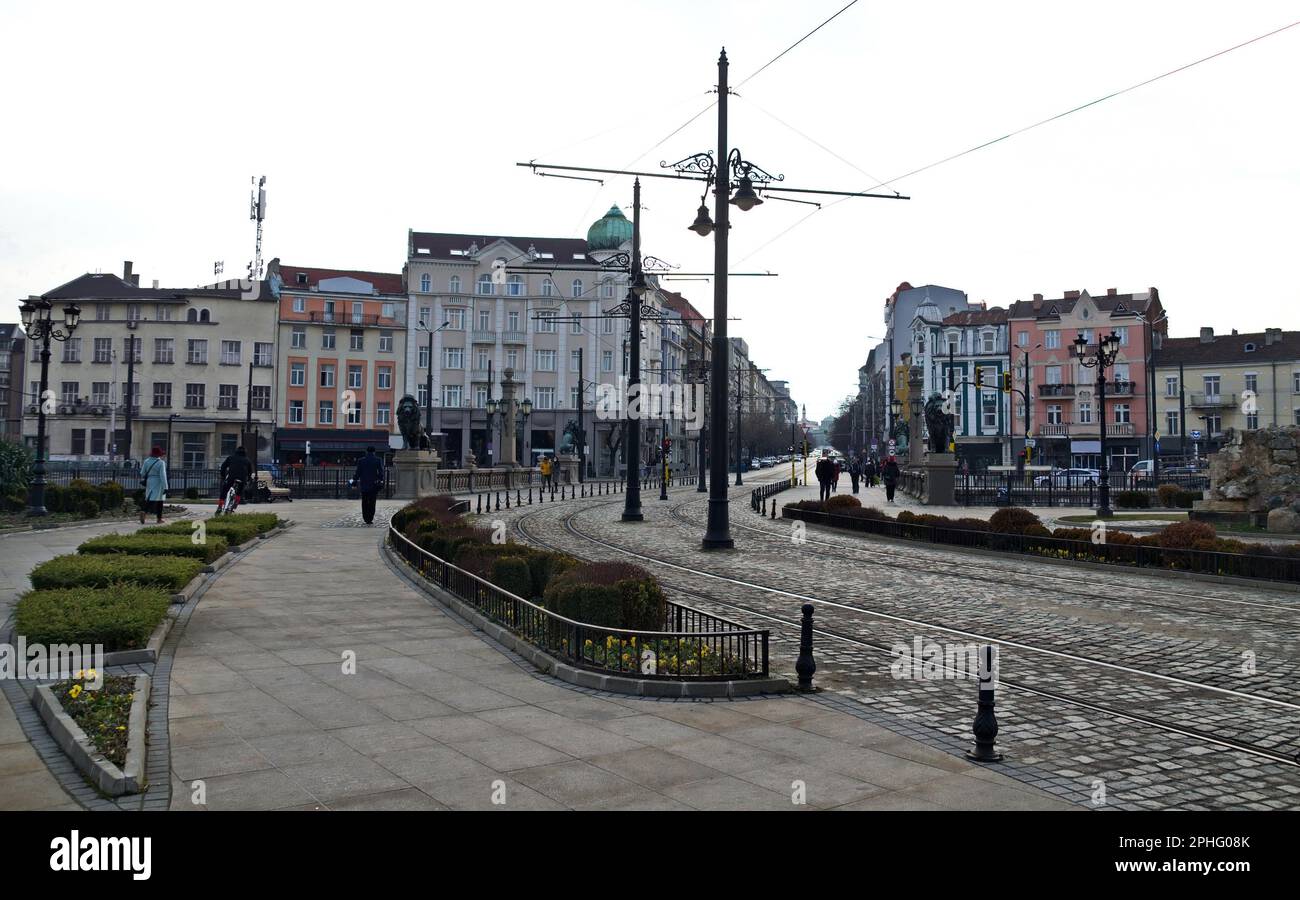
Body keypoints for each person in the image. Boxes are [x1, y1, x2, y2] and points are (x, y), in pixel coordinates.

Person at [351, 446, 385, 525]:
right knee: (372, 502)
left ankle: (365, 517)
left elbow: (358, 472)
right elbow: (380, 472)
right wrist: (380, 479)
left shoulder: (361, 461)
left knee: (364, 501)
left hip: (364, 484)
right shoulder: (378, 460)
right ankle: (370, 518)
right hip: (374, 484)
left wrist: (354, 480)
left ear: (366, 452)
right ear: (374, 452)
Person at [217, 446, 253, 514]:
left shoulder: (231, 457)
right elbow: (250, 471)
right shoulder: (247, 460)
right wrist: (248, 479)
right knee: (240, 491)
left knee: (224, 491)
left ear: (236, 451)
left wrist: (223, 476)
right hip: (242, 479)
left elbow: (223, 466)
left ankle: (220, 505)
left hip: (231, 477)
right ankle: (236, 502)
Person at [139, 445, 168, 524]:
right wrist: (166, 486)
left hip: (149, 481)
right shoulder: (161, 463)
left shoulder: (146, 461)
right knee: (160, 501)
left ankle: (144, 511)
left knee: (149, 498)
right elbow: (163, 475)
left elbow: (142, 473)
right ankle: (159, 519)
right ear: (159, 454)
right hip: (158, 482)